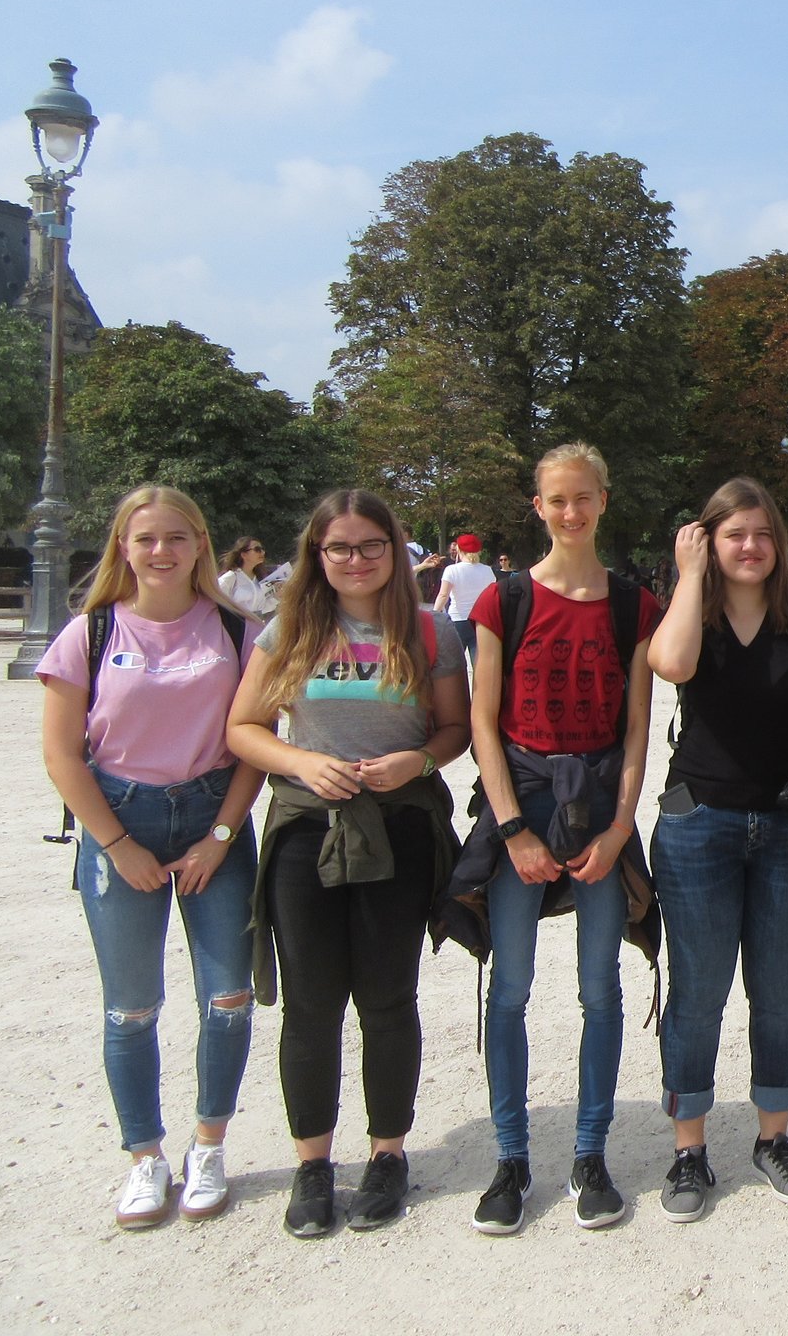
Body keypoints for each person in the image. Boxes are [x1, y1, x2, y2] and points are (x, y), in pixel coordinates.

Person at [225, 490, 469, 1237]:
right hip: (307, 826)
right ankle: (312, 1163)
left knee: (389, 998)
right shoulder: (288, 630)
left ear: (395, 553)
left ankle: (387, 1152)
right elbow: (243, 728)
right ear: (317, 556)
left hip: (397, 825)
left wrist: (418, 758)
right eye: (340, 548)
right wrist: (300, 760)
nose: (356, 560)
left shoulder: (429, 631)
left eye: (371, 546)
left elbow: (455, 729)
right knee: (311, 1003)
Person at [39, 487, 266, 1230]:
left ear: (202, 544)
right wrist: (116, 843)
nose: (162, 551)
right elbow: (62, 754)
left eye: (177, 537)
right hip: (120, 816)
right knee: (131, 1007)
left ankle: (209, 1144)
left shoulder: (237, 630)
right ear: (123, 548)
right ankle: (145, 1156)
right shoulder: (90, 631)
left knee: (228, 997)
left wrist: (223, 836)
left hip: (212, 819)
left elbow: (253, 741)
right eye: (146, 540)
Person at [462, 444, 662, 1234]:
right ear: (538, 506)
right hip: (524, 801)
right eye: (557, 499)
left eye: (583, 498)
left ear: (603, 502)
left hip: (597, 810)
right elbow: (483, 721)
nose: (571, 511)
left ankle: (589, 1151)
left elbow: (640, 730)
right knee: (509, 989)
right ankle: (512, 1156)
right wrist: (511, 828)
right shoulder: (503, 600)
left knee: (599, 990)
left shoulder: (631, 605)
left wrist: (618, 829)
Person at [645, 477, 788, 1225]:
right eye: (733, 536)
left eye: (762, 535)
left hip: (786, 826)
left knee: (780, 989)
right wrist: (690, 576)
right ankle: (689, 1146)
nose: (750, 547)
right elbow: (671, 665)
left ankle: (774, 1135)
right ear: (709, 540)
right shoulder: (692, 612)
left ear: (778, 544)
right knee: (697, 993)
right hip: (700, 821)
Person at [432, 533, 497, 662]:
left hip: (458, 619)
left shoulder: (452, 570)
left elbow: (443, 595)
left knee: (454, 663)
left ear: (459, 550)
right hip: (479, 620)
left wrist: (434, 614)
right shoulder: (487, 570)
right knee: (478, 662)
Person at [218, 537, 280, 618]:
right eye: (257, 549)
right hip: (236, 626)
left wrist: (276, 597)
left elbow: (264, 608)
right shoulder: (231, 577)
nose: (262, 552)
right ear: (244, 554)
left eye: (262, 549)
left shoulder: (259, 579)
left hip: (256, 626)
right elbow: (216, 603)